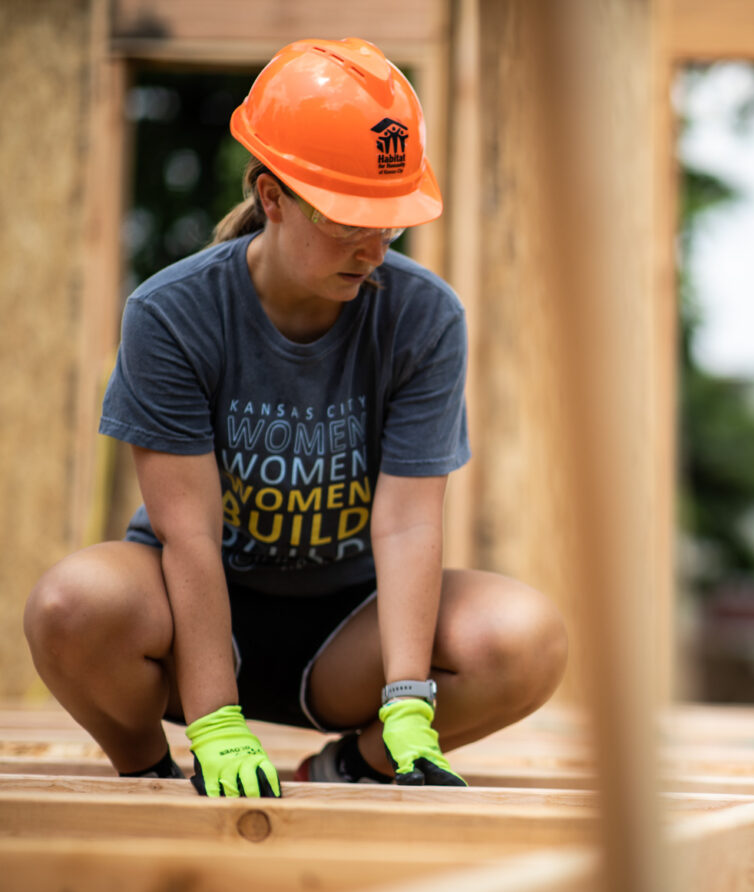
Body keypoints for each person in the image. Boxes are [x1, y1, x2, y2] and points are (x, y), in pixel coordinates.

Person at [23, 38, 567, 798]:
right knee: (69, 605)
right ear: (272, 196)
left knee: (525, 638)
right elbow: (188, 534)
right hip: (194, 615)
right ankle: (149, 771)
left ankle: (354, 766)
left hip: (350, 630)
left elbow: (409, 524)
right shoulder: (173, 314)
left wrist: (409, 698)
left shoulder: (425, 318)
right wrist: (214, 718)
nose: (373, 248)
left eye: (391, 221)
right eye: (349, 219)